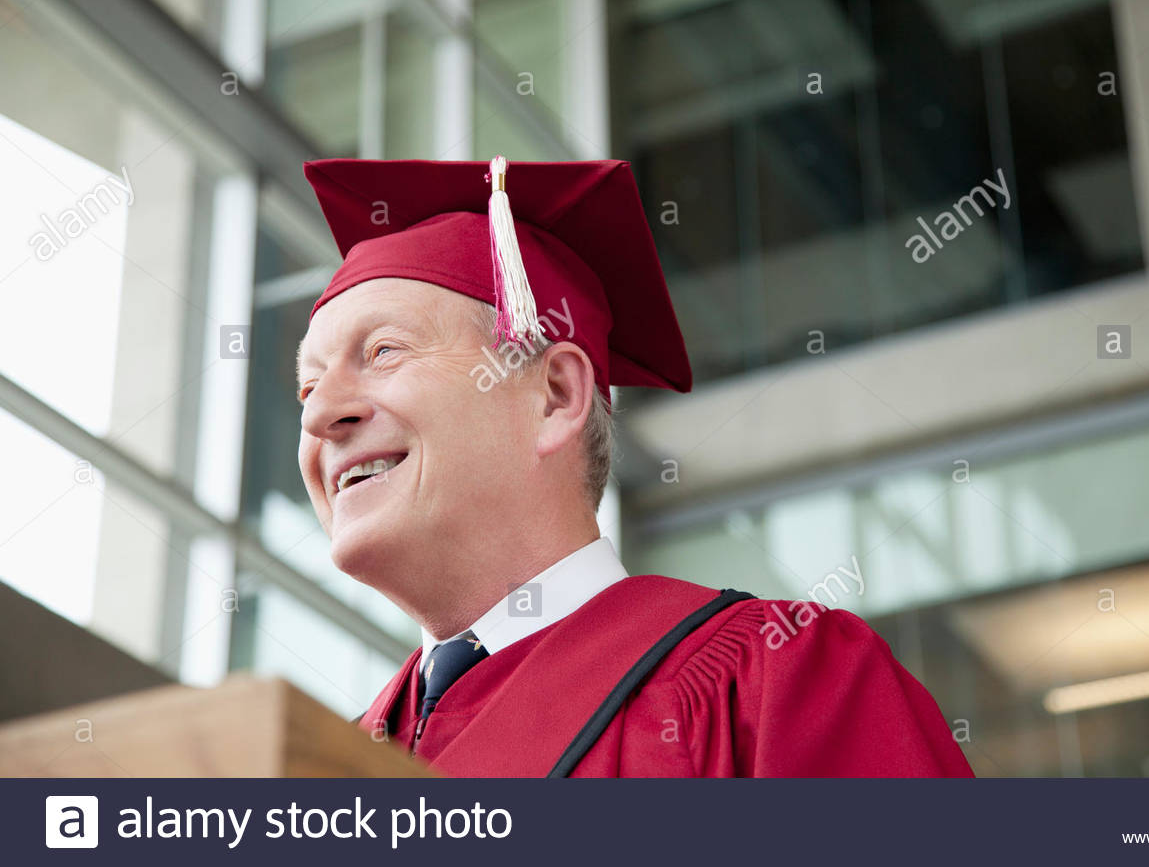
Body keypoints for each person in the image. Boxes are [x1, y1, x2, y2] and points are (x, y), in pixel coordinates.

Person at [294, 155, 973, 777]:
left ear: (554, 396)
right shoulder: (319, 774)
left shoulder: (772, 685)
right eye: (306, 385)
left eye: (383, 352)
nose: (320, 414)